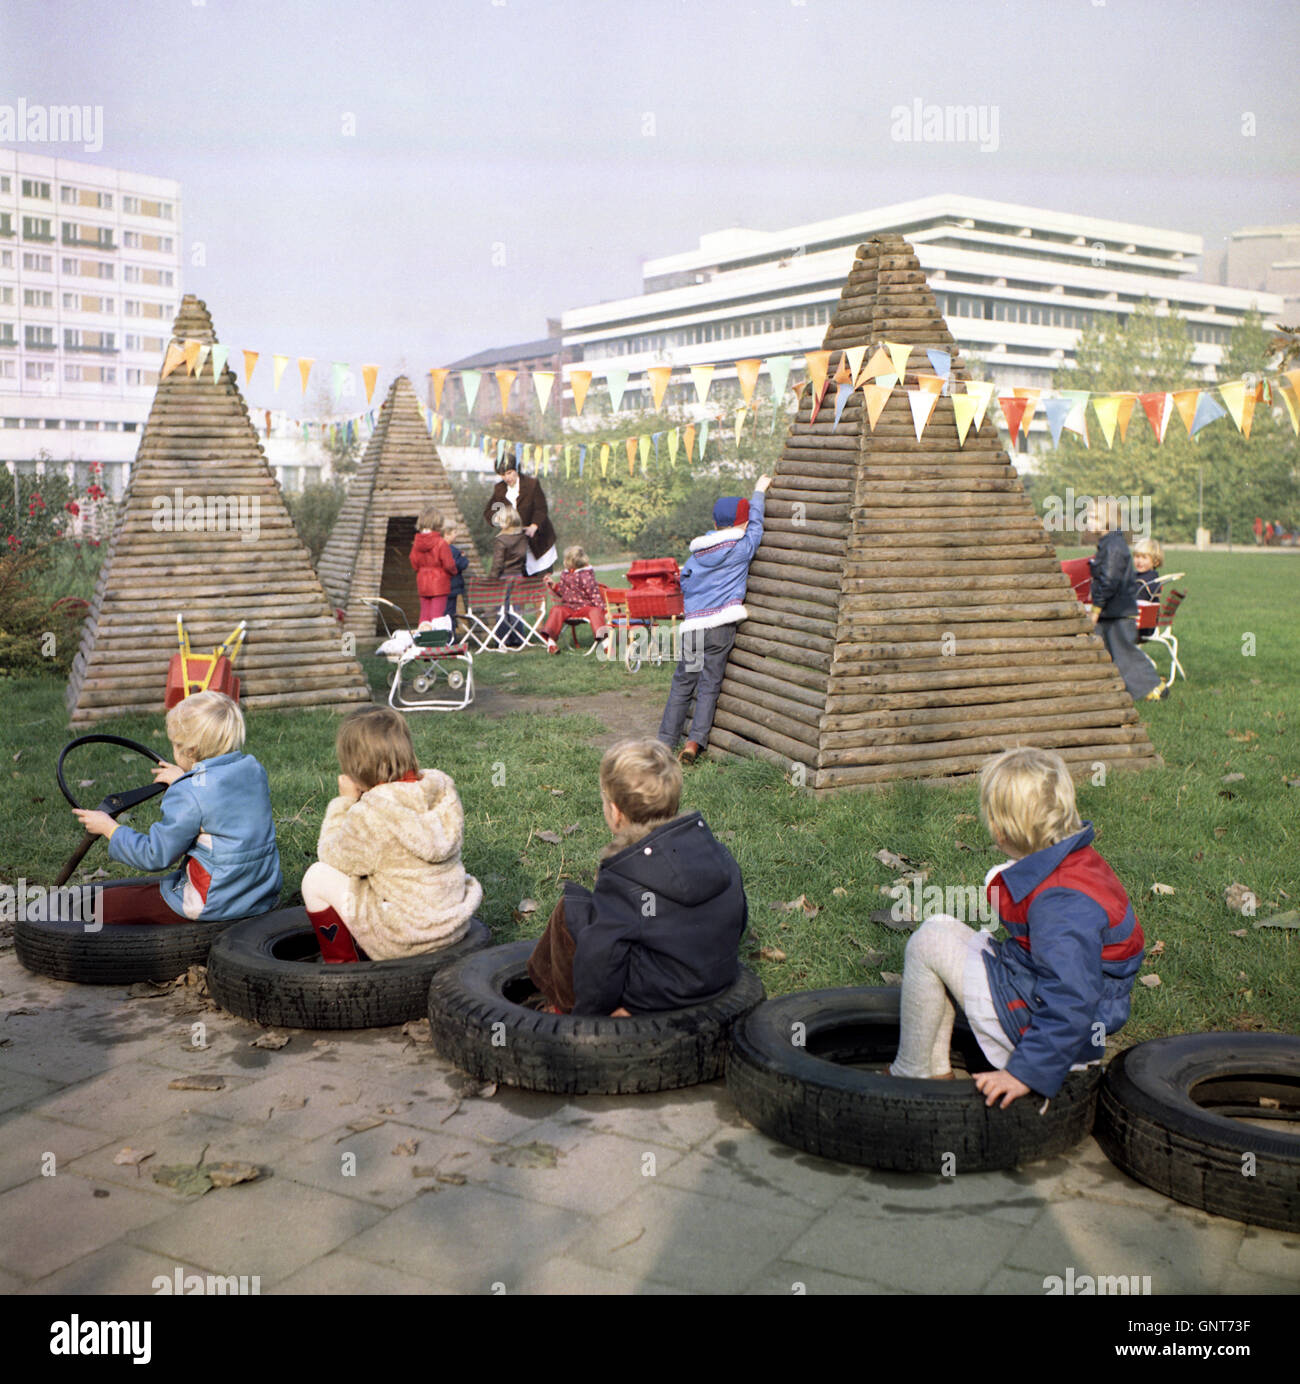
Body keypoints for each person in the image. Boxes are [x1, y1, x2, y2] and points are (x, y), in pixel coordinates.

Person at [890, 746, 1145, 1107]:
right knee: (938, 927)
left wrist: (1025, 1072)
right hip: (1043, 994)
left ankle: (910, 1074)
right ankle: (932, 1072)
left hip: (1050, 1031)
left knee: (928, 944)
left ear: (1001, 830)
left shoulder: (1062, 904)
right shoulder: (1073, 860)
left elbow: (1072, 999)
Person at [526, 739, 747, 1015]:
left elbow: (602, 956)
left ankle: (559, 1008)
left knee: (569, 909)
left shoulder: (625, 876)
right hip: (715, 980)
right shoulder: (717, 853)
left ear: (616, 812)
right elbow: (738, 917)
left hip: (652, 997)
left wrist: (592, 1017)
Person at [69, 691, 280, 924]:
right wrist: (184, 777)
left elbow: (155, 856)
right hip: (260, 893)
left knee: (104, 904)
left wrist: (109, 828)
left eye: (175, 745)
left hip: (213, 902)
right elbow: (215, 796)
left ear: (190, 751)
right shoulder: (253, 770)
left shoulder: (189, 793)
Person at [300, 706, 481, 963]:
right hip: (451, 926)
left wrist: (344, 803)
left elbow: (330, 856)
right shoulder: (441, 790)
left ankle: (342, 967)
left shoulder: (371, 812)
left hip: (403, 939)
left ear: (355, 768)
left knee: (316, 877)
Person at [658, 476, 771, 766]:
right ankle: (693, 744)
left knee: (683, 684)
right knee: (709, 685)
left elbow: (685, 582)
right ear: (743, 524)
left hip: (694, 627)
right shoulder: (742, 548)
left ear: (715, 522)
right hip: (721, 627)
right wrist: (759, 492)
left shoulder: (697, 553)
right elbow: (756, 525)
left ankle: (665, 743)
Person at [1088, 500, 1166, 702]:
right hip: (1111, 612)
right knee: (1103, 650)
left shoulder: (1114, 547)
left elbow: (1109, 580)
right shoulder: (1108, 544)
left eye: (1094, 517)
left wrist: (1096, 609)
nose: (1088, 521)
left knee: (1125, 653)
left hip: (1118, 612)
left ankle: (1155, 687)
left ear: (1107, 520)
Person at [483, 461, 557, 575]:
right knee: (523, 579)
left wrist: (534, 526)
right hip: (517, 544)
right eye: (502, 475)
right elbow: (489, 512)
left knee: (541, 578)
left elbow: (541, 509)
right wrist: (498, 518)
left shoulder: (531, 484)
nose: (506, 478)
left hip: (539, 540)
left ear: (516, 470)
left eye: (509, 473)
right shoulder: (499, 489)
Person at [541, 544, 609, 653]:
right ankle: (551, 643)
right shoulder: (565, 574)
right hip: (569, 608)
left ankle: (605, 643)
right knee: (556, 610)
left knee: (595, 611)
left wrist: (603, 611)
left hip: (585, 608)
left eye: (565, 559)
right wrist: (554, 586)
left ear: (570, 562)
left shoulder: (586, 575)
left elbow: (594, 595)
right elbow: (563, 592)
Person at [408, 506, 458, 629]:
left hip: (423, 582)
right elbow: (449, 564)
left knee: (424, 616)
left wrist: (422, 572)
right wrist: (453, 572)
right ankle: (435, 638)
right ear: (438, 522)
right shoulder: (441, 543)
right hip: (439, 584)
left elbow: (414, 563)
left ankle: (423, 637)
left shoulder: (416, 543)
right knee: (437, 617)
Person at [1131, 537, 1163, 603]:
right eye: (1137, 556)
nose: (1139, 561)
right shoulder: (1136, 575)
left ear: (1156, 561)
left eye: (1144, 557)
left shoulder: (1147, 581)